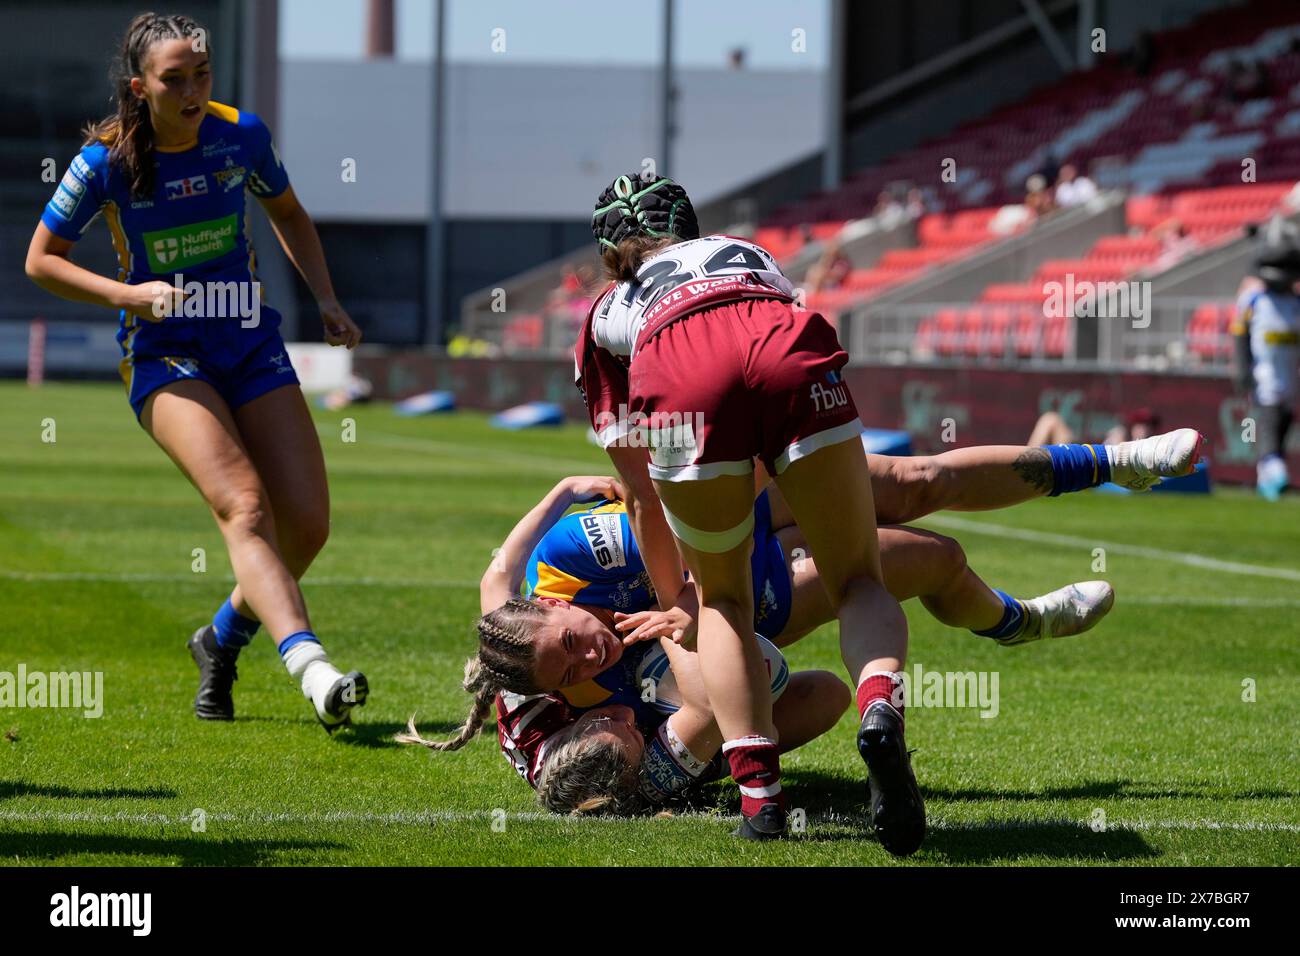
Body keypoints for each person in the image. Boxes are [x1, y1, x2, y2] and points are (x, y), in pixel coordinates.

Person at [23, 12, 367, 731]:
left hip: (248, 337)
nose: (190, 92)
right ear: (138, 87)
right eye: (173, 80)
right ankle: (313, 669)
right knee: (245, 507)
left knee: (305, 524)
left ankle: (219, 638)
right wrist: (130, 296)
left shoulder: (240, 134)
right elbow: (41, 261)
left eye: (200, 76)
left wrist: (327, 300)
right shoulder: (105, 162)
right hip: (163, 353)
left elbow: (290, 213)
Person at [1233, 239, 1300, 499]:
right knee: (1270, 422)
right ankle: (1273, 466)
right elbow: (1239, 334)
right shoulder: (1254, 300)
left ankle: (1268, 474)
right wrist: (1242, 370)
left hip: (1290, 378)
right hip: (1265, 378)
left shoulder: (1295, 303)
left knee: (1284, 423)